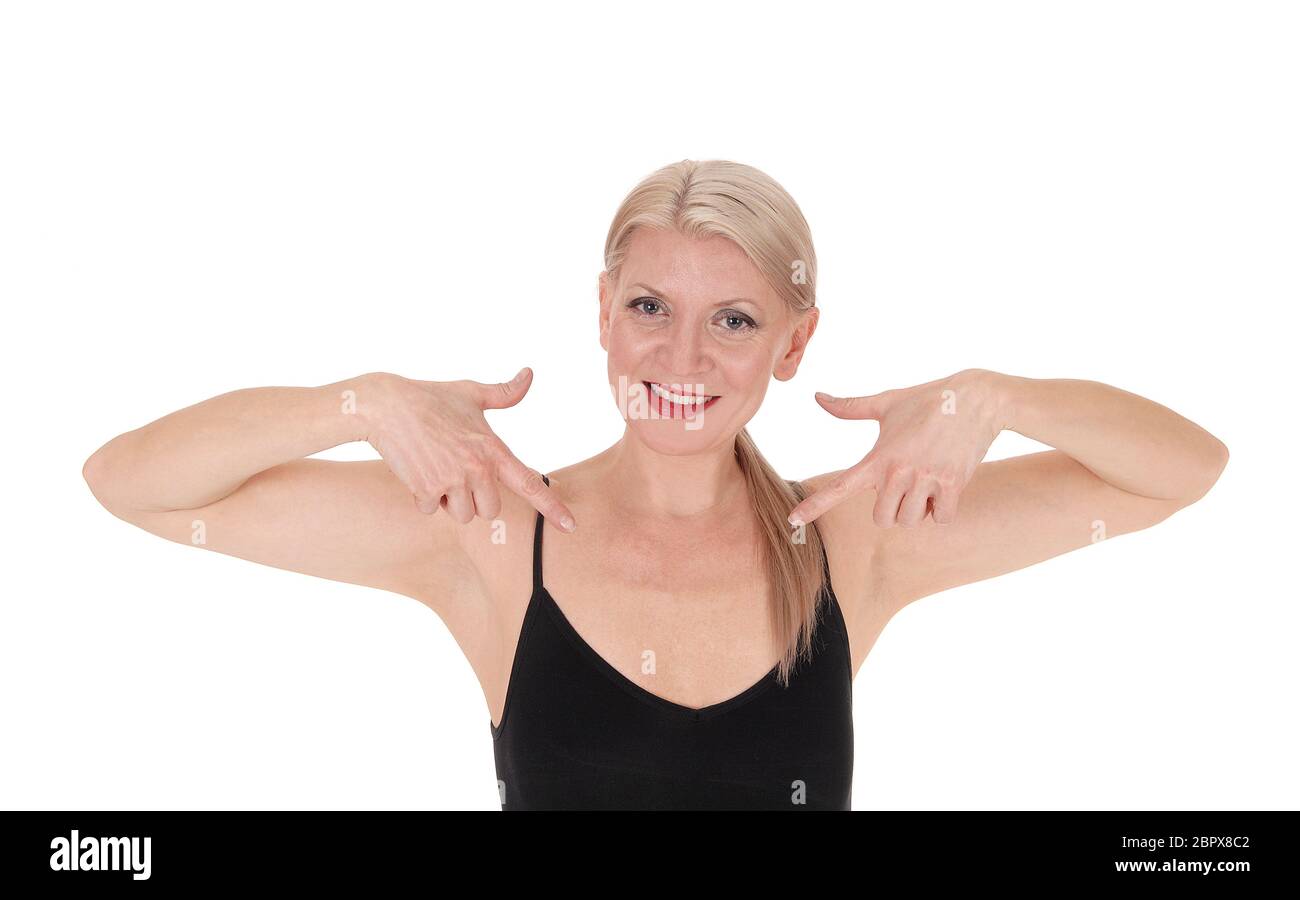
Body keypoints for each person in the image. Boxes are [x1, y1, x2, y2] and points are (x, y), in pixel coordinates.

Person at [82, 159, 1229, 810]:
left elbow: (1178, 473)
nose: (681, 363)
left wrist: (999, 395)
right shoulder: (489, 532)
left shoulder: (853, 541)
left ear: (793, 344)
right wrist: (359, 401)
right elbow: (129, 484)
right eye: (649, 309)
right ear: (601, 316)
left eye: (732, 321)